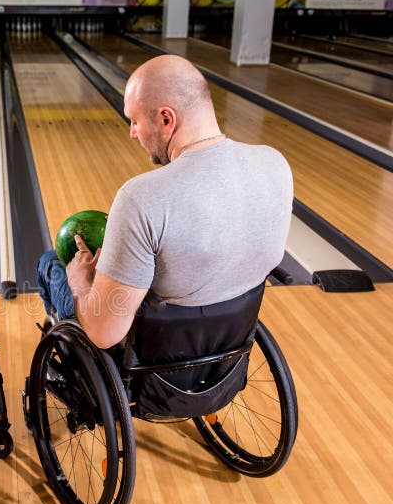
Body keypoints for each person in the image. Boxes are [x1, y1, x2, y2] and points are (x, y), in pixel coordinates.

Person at [38, 54, 293, 350]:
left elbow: (103, 333)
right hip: (227, 354)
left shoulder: (141, 198)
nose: (132, 133)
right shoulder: (275, 164)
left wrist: (82, 285)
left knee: (50, 263)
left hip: (152, 371)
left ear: (166, 118)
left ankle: (65, 356)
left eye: (134, 121)